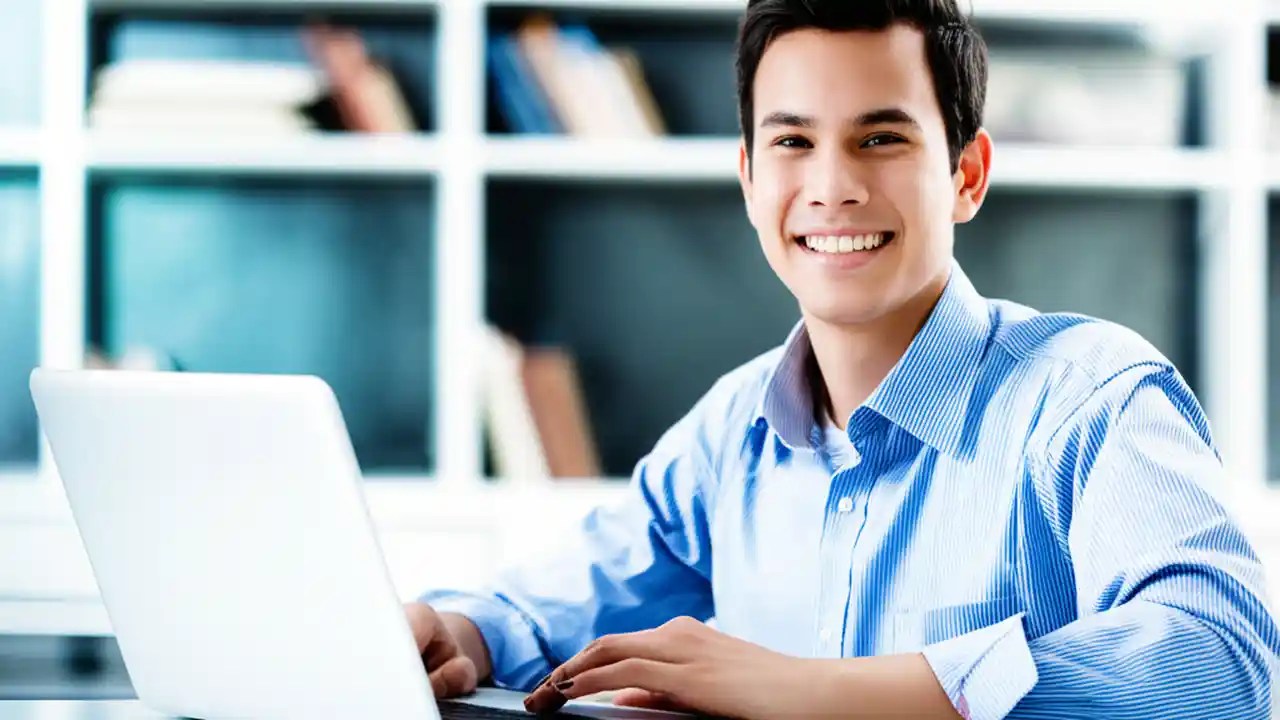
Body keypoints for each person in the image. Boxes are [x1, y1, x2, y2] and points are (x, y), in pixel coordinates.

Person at [404, 0, 1280, 717]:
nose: (831, 185)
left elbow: (1224, 658)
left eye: (881, 138)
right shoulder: (730, 434)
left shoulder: (1089, 399)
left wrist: (809, 692)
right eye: (792, 142)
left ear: (966, 175)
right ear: (750, 178)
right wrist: (461, 631)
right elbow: (553, 602)